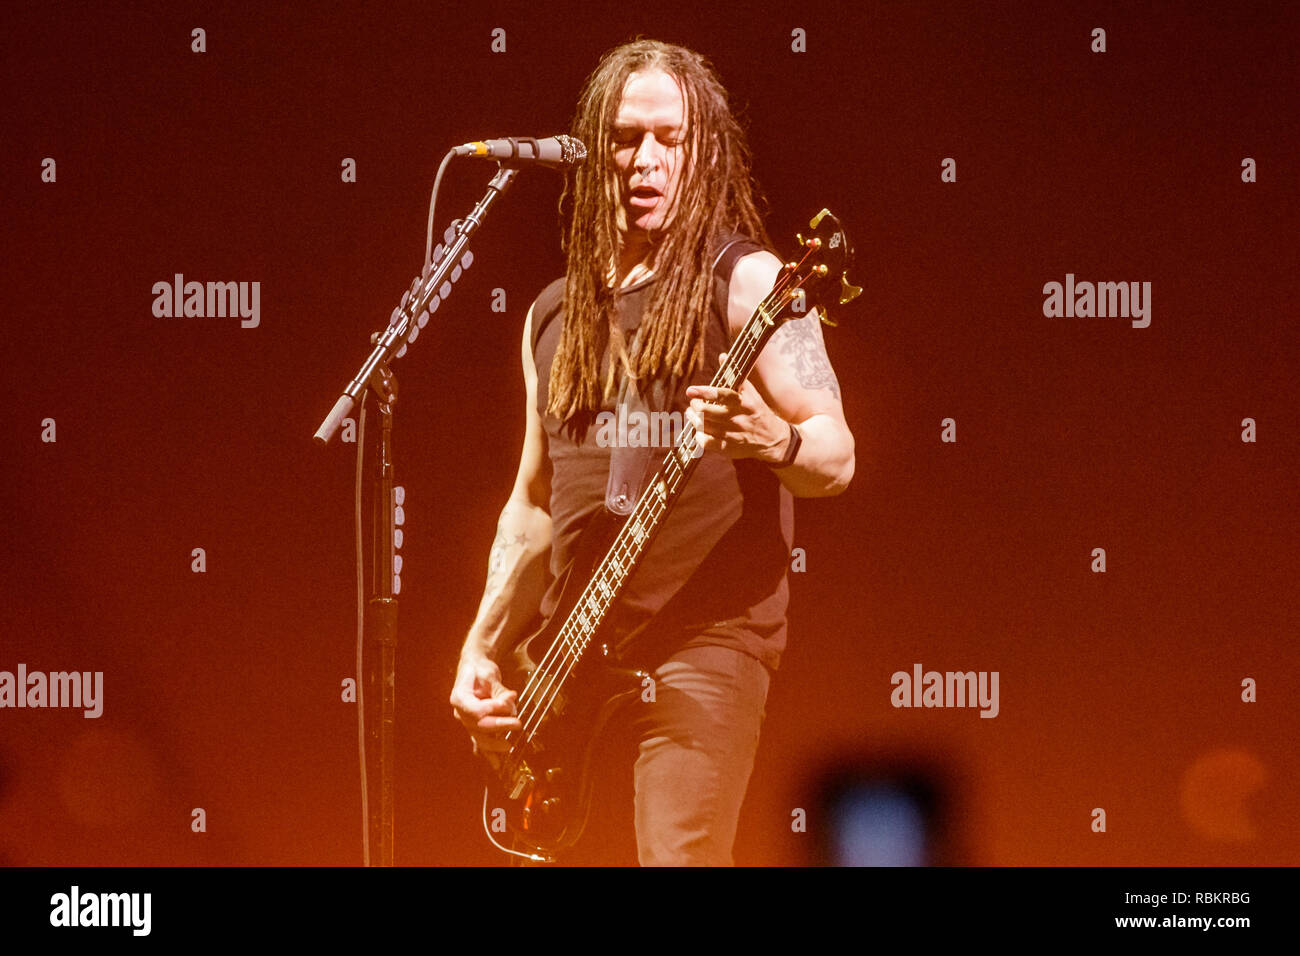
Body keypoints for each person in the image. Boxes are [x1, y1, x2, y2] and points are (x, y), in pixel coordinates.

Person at [449, 39, 854, 866]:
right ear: (594, 154)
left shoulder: (752, 283)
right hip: (570, 665)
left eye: (671, 139)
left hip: (704, 643)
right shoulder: (554, 315)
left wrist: (770, 437)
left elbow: (836, 452)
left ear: (703, 154)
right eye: (627, 139)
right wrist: (481, 649)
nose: (647, 160)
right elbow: (531, 505)